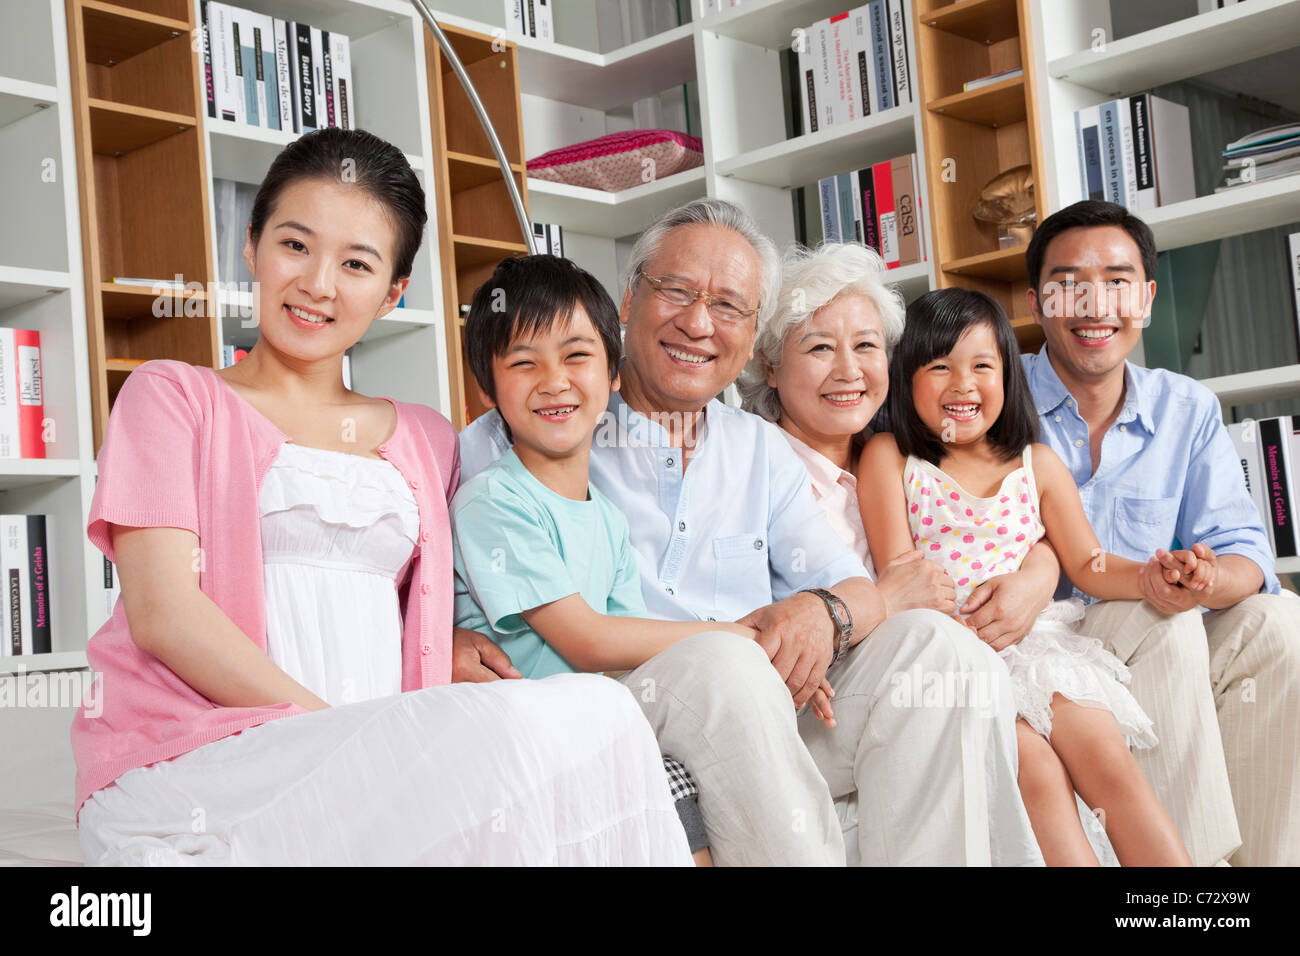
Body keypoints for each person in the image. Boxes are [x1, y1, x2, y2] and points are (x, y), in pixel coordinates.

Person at [70, 128, 691, 866]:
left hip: (379, 755)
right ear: (251, 247)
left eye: (357, 263)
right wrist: (347, 738)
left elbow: (469, 573)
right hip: (207, 762)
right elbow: (163, 613)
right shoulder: (173, 397)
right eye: (295, 246)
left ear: (394, 292)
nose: (318, 284)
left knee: (597, 711)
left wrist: (451, 647)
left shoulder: (428, 438)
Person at [460, 200, 1043, 866]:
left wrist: (823, 616)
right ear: (630, 298)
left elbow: (851, 585)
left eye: (730, 306)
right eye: (676, 291)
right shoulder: (542, 424)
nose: (698, 322)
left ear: (754, 329)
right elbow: (453, 572)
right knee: (730, 664)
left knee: (940, 651)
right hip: (631, 705)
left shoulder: (760, 449)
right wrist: (447, 637)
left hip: (766, 712)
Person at [451, 254, 838, 865]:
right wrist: (741, 636)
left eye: (576, 356)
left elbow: (635, 648)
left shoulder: (603, 515)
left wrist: (752, 652)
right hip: (529, 728)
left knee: (689, 811)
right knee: (714, 687)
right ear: (487, 390)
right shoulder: (491, 500)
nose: (553, 381)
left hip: (599, 714)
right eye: (523, 363)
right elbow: (589, 640)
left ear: (612, 372)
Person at [856, 287, 1191, 865]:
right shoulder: (891, 456)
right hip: (956, 660)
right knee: (1035, 771)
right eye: (940, 367)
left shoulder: (1037, 463)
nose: (963, 385)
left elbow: (1090, 563)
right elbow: (899, 575)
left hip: (1038, 648)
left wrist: (1153, 575)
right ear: (905, 378)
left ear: (1007, 376)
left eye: (982, 365)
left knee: (1106, 758)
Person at [1022, 199, 1300, 866]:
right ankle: (1185, 897)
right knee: (1165, 621)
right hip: (1056, 637)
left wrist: (1205, 577)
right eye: (1068, 284)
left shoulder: (1187, 406)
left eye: (1117, 281)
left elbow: (1245, 552)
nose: (1095, 305)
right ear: (1038, 302)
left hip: (1155, 623)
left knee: (1280, 625)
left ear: (1145, 298)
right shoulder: (995, 397)